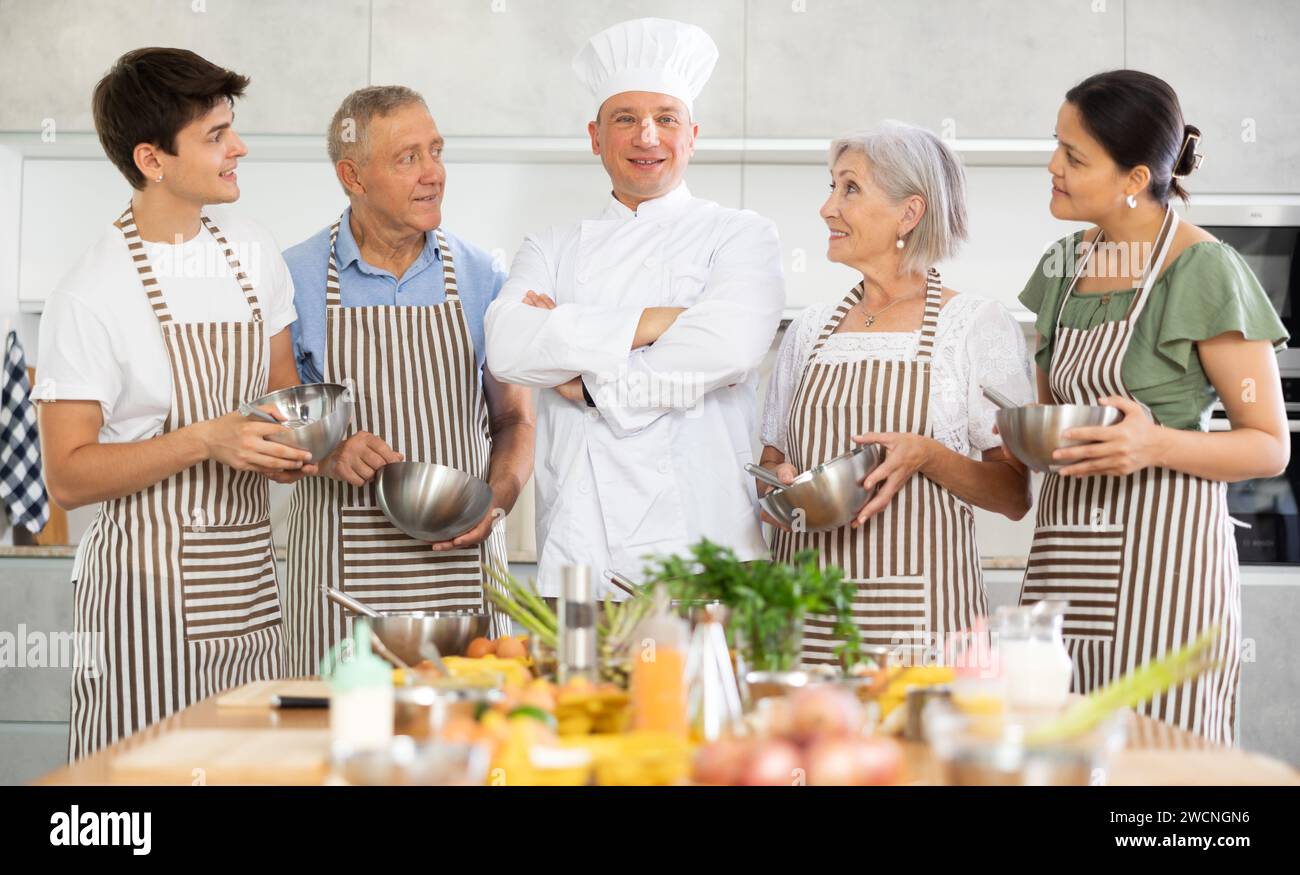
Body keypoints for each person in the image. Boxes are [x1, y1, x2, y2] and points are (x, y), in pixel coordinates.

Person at [35, 48, 308, 759]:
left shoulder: (253, 253)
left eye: (231, 127)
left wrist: (302, 447)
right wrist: (203, 439)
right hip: (140, 605)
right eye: (216, 136)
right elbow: (67, 475)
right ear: (151, 160)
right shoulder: (90, 293)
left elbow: (281, 395)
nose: (239, 147)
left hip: (249, 590)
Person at [1018, 70, 1289, 743]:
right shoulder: (1062, 265)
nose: (1052, 167)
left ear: (1135, 178)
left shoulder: (1204, 268)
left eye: (1074, 156)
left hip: (1168, 576)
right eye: (1056, 145)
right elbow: (1050, 416)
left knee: (1156, 762)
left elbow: (1268, 445)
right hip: (1064, 565)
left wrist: (1154, 443)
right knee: (1054, 754)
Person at [484, 18, 785, 597]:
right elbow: (508, 347)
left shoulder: (740, 234)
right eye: (625, 119)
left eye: (666, 119)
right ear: (595, 137)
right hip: (581, 547)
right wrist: (658, 323)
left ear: (692, 135)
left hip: (704, 546)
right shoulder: (550, 245)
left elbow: (729, 346)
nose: (647, 137)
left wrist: (588, 384)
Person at [758, 122, 1034, 665]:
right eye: (832, 187)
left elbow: (1013, 496)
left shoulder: (974, 325)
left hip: (921, 628)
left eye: (850, 189)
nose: (827, 209)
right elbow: (771, 465)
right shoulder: (809, 330)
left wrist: (928, 455)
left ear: (909, 212)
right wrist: (780, 488)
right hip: (800, 616)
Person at [281, 86, 534, 672]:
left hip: (462, 569)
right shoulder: (292, 278)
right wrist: (329, 452)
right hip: (341, 577)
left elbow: (515, 419)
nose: (433, 174)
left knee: (471, 721)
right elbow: (273, 429)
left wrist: (496, 503)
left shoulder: (482, 275)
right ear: (353, 176)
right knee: (342, 723)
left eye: (436, 151)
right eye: (408, 158)